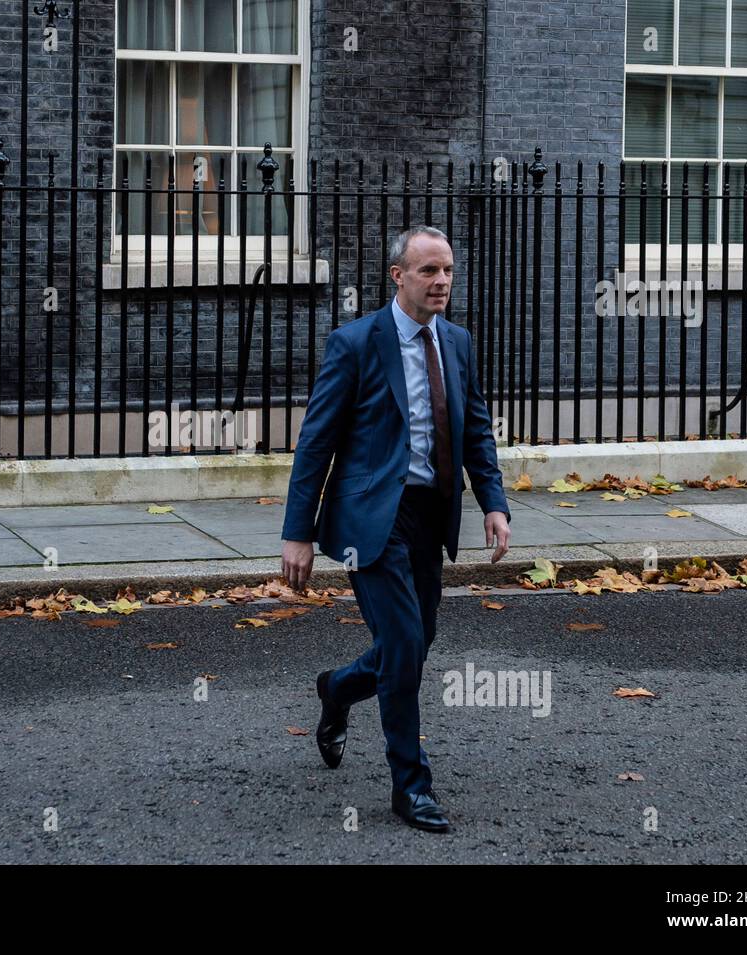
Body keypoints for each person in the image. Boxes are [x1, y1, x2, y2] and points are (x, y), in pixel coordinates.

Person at [279, 225, 511, 832]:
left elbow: (476, 429)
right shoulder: (355, 343)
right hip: (370, 519)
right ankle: (411, 785)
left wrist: (493, 502)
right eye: (429, 271)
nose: (441, 282)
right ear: (398, 276)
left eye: (448, 271)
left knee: (415, 642)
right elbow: (316, 444)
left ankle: (338, 689)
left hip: (431, 513)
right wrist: (297, 533)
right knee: (405, 645)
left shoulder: (456, 342)